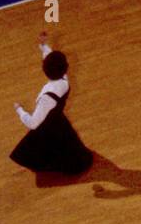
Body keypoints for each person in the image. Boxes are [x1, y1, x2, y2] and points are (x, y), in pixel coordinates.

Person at [11, 35, 94, 175]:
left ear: (45, 70)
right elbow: (52, 61)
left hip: (48, 127)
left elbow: (33, 123)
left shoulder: (47, 98)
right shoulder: (64, 80)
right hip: (59, 123)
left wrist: (19, 110)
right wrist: (44, 46)